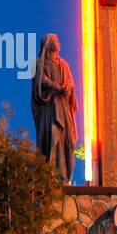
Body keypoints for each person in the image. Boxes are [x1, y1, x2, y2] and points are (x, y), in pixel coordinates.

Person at [31, 33, 78, 183]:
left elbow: (70, 80)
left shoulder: (63, 64)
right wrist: (58, 88)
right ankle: (50, 177)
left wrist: (68, 88)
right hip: (50, 109)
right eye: (55, 40)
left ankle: (65, 178)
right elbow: (41, 81)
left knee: (68, 141)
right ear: (48, 44)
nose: (59, 43)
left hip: (63, 107)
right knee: (52, 138)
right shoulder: (39, 63)